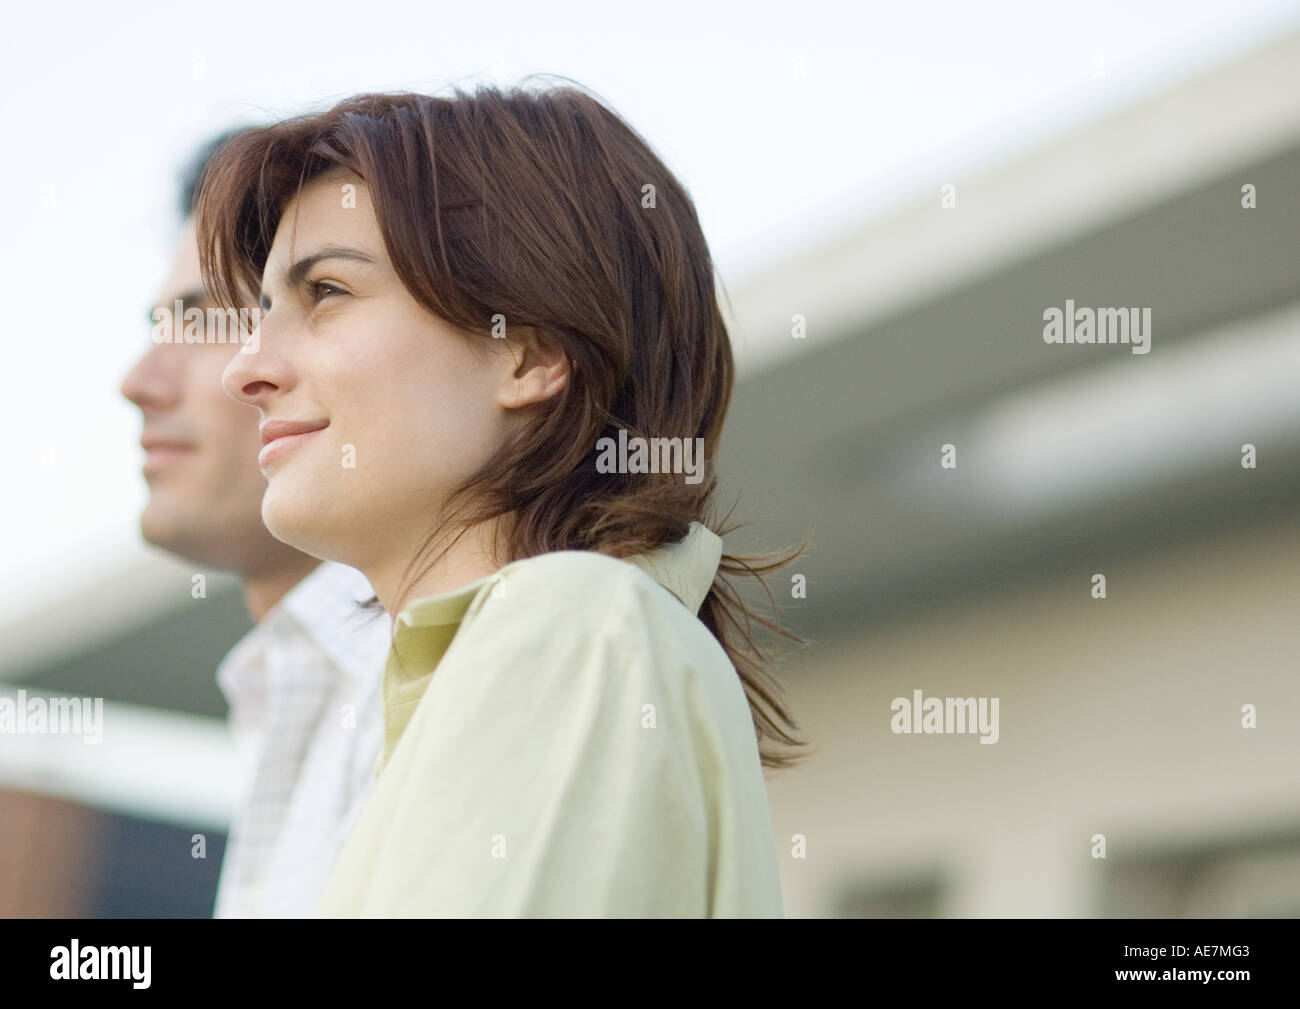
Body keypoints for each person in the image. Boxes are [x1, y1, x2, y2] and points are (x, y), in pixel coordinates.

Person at [197, 81, 809, 916]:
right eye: (264, 311)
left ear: (528, 353)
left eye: (327, 293)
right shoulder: (533, 653)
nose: (246, 370)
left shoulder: (573, 626)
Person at [120, 130, 391, 917]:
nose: (139, 382)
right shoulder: (292, 688)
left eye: (204, 323)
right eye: (156, 325)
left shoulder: (445, 673)